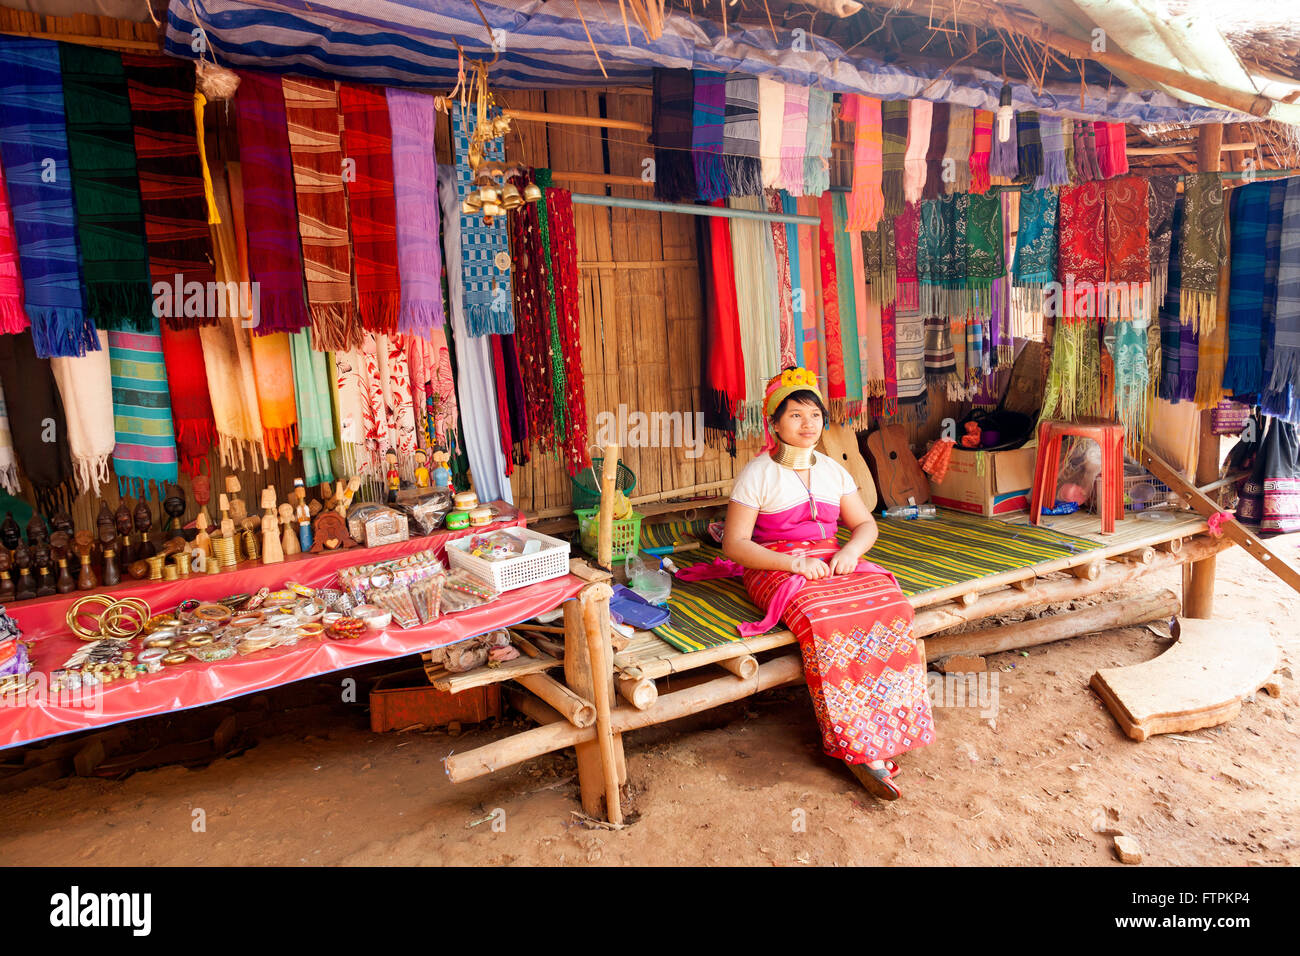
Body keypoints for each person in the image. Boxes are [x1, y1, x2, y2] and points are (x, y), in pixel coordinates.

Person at [720, 367, 934, 799]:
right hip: (773, 566)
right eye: (796, 416)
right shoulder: (757, 474)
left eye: (814, 415)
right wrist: (792, 564)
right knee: (827, 619)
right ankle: (858, 744)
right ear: (775, 423)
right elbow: (734, 545)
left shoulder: (834, 471)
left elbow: (864, 525)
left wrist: (850, 552)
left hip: (831, 559)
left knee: (892, 605)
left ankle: (892, 725)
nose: (808, 424)